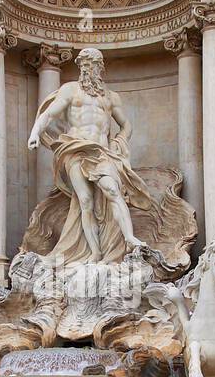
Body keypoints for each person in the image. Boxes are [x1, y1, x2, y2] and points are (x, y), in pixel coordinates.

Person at [26, 48, 157, 265]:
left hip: (101, 151)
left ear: (100, 67)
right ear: (80, 67)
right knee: (85, 200)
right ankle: (95, 252)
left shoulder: (111, 97)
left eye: (93, 64)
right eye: (85, 64)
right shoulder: (70, 90)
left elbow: (126, 125)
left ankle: (129, 238)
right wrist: (35, 133)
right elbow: (48, 114)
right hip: (75, 149)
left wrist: (119, 140)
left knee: (113, 189)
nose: (89, 68)